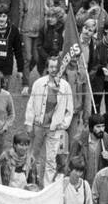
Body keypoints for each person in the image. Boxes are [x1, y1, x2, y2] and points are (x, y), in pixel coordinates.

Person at [25, 54, 74, 186]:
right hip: (38, 126)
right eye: (51, 66)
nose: (53, 69)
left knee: (51, 159)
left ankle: (46, 187)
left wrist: (63, 125)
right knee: (33, 155)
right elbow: (31, 104)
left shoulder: (65, 86)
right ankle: (29, 181)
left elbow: (70, 109)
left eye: (56, 67)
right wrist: (29, 123)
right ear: (47, 68)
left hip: (54, 129)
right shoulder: (39, 83)